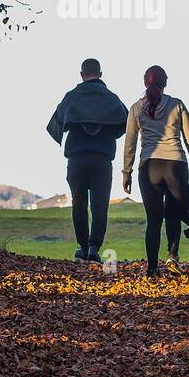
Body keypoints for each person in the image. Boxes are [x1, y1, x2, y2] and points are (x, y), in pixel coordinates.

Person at [122, 65, 189, 277]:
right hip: (176, 165)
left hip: (149, 167)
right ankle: (172, 258)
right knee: (173, 215)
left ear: (144, 83)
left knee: (153, 219)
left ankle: (152, 268)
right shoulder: (177, 105)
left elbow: (129, 144)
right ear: (165, 82)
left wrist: (127, 173)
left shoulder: (135, 108)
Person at [46, 59, 128, 263]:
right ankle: (93, 248)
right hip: (102, 159)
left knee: (79, 203)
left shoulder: (71, 97)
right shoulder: (111, 99)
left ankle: (82, 247)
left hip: (77, 159)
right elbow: (126, 122)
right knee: (100, 205)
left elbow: (55, 125)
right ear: (100, 74)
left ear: (81, 74)